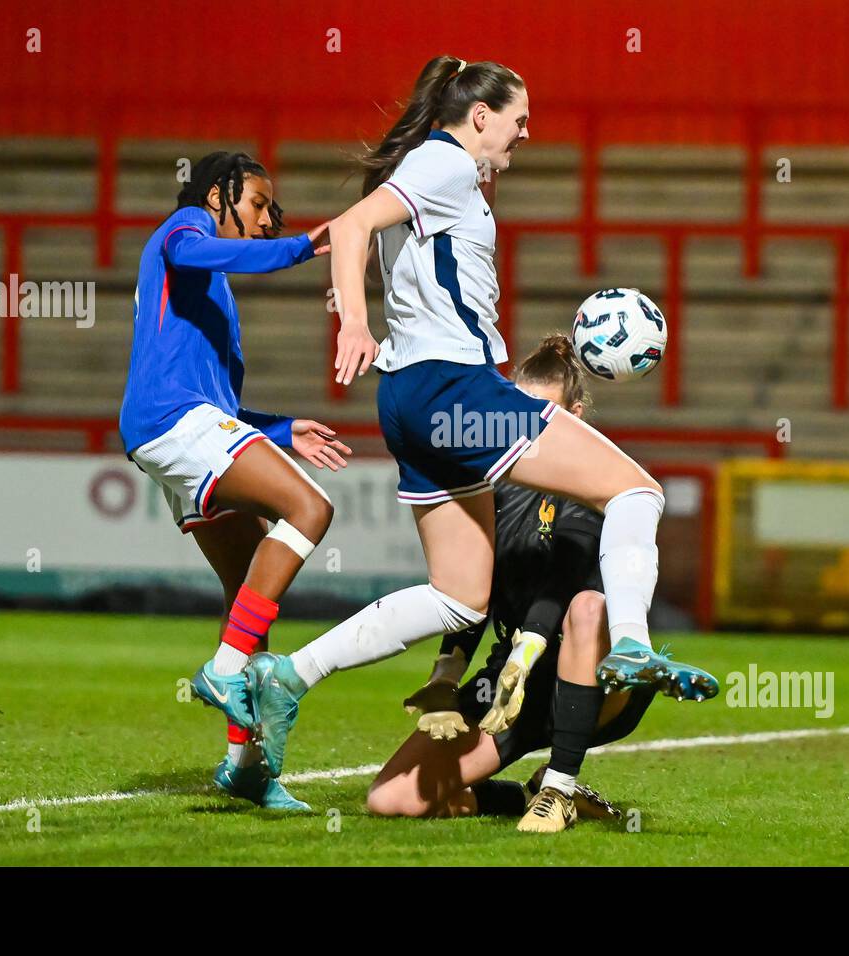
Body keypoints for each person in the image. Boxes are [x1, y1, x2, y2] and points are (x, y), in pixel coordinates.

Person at [245, 56, 715, 790]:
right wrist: (354, 323)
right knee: (636, 493)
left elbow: (365, 222)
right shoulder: (448, 164)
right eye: (519, 120)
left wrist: (366, 328)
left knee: (459, 595)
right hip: (455, 392)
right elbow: (352, 223)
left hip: (408, 401)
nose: (526, 133)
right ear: (481, 115)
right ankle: (630, 644)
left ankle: (289, 676)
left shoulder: (430, 168)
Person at [373, 336, 718, 832]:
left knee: (588, 606)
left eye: (542, 413)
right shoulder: (488, 489)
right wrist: (447, 680)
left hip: (588, 674)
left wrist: (528, 646)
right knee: (393, 799)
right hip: (511, 681)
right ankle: (529, 794)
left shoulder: (598, 487)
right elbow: (472, 595)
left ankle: (559, 786)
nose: (522, 427)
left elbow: (561, 581)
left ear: (573, 417)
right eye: (516, 409)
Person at [119, 151, 348, 810]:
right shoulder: (184, 229)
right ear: (217, 195)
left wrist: (279, 431)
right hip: (173, 422)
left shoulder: (212, 290)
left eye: (273, 211)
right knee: (310, 507)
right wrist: (302, 247)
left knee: (250, 585)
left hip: (178, 428)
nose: (266, 217)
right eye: (255, 202)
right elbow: (193, 403)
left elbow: (215, 405)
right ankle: (222, 673)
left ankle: (244, 765)